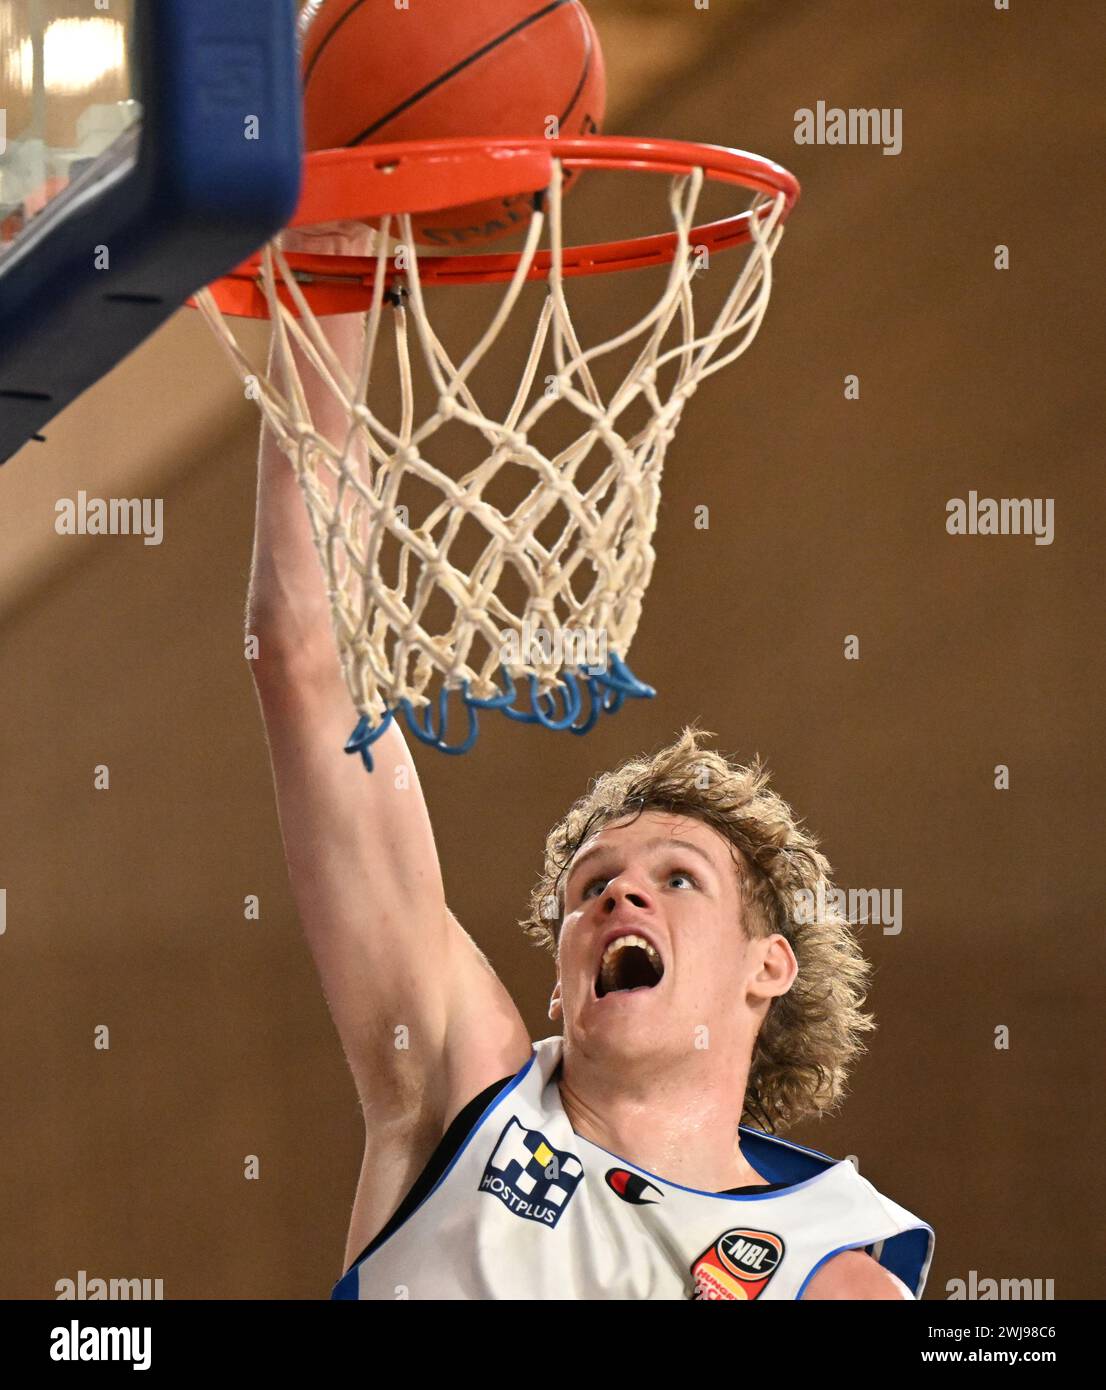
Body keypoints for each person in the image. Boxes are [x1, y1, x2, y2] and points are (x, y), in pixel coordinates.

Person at [246, 226, 933, 1301]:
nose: (617, 891)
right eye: (588, 888)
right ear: (562, 984)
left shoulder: (829, 1270)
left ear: (767, 966)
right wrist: (332, 257)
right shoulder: (459, 1085)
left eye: (676, 878)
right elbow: (303, 660)